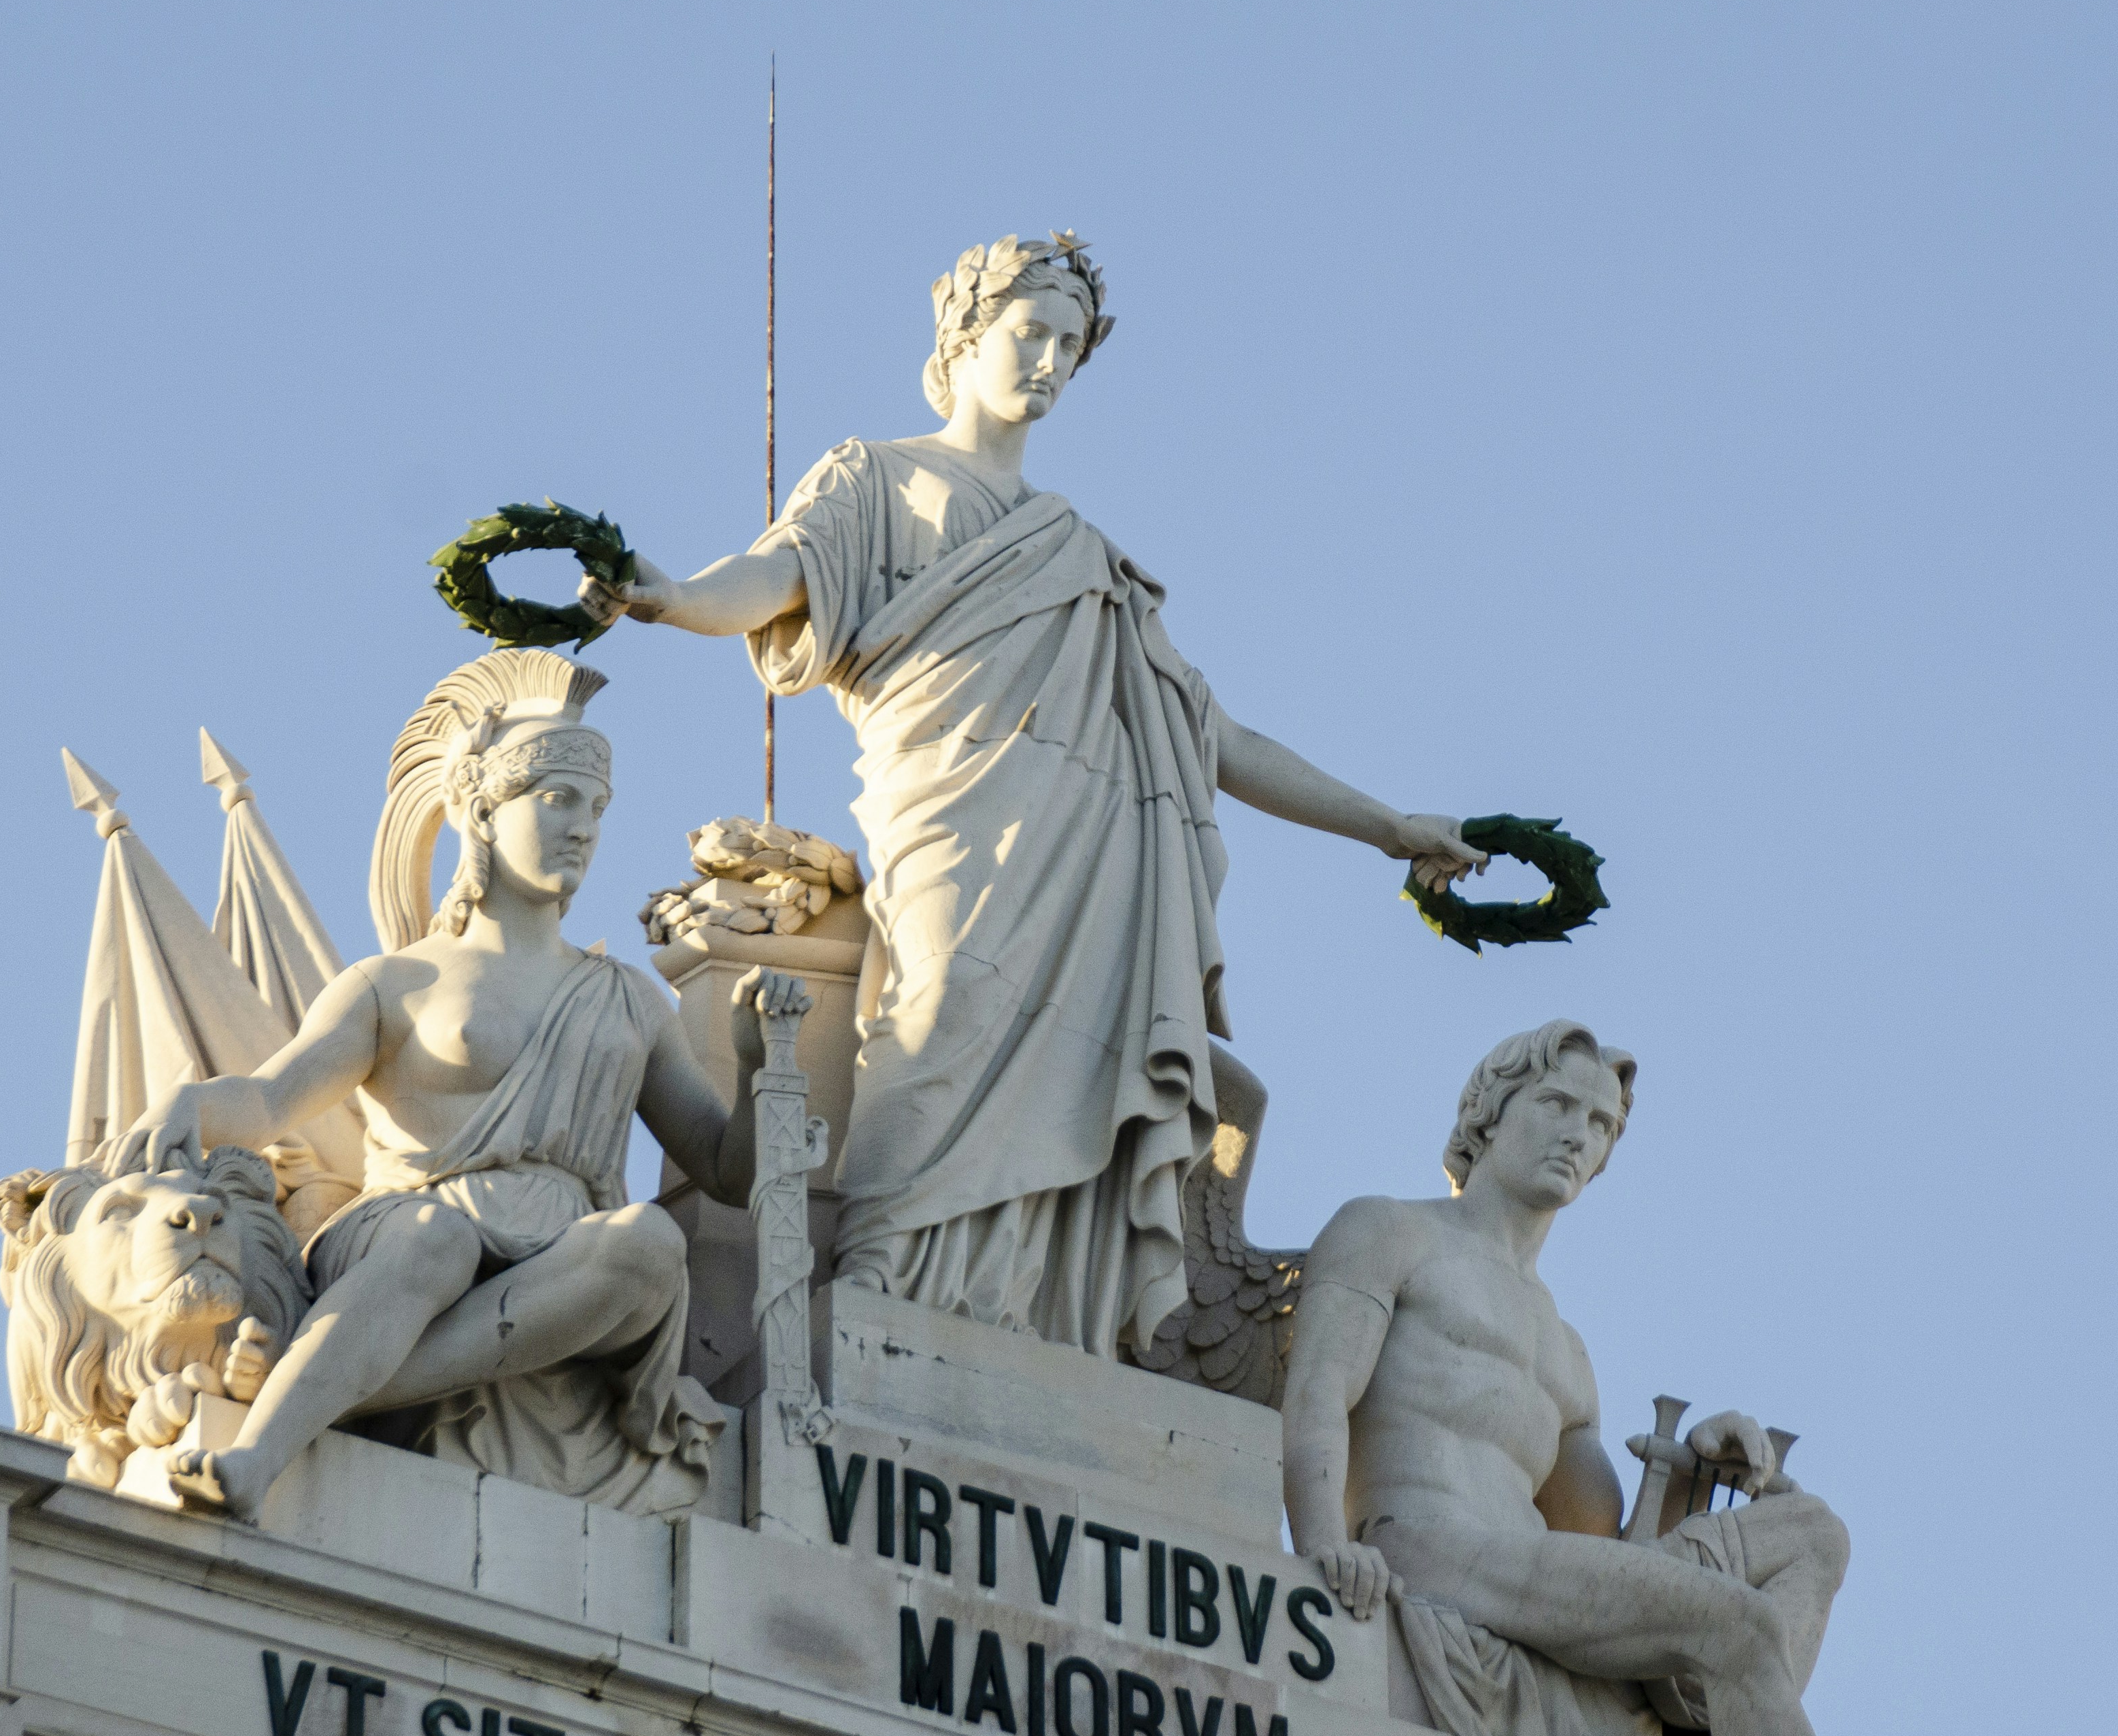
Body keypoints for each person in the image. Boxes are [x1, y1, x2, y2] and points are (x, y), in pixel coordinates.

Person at [578, 233, 1485, 1359]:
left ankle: (1040, 1334)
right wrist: (666, 596)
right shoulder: (879, 478)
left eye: (1070, 344)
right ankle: (880, 1287)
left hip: (1086, 864)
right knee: (932, 1026)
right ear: (961, 336)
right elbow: (774, 577)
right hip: (952, 830)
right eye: (1029, 332)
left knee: (1071, 1069)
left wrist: (1387, 825)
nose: (1049, 361)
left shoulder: (1087, 560)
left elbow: (1219, 735)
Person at [1280, 1021, 2052, 1736]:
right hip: (1428, 1550)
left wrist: (1696, 1475)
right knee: (1735, 1628)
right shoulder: (1388, 1231)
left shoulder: (1567, 1352)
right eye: (1557, 1105)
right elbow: (1316, 1398)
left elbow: (1608, 1557)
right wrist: (1324, 1549)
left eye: (1600, 1125)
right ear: (1489, 1109)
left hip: (1534, 1577)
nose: (1578, 1136)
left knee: (1814, 1534)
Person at [114, 649, 800, 1524]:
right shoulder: (392, 982)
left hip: (563, 1264)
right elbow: (271, 1100)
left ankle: (327, 1385)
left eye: (596, 808)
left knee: (647, 1246)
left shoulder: (624, 997)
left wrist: (756, 1059)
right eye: (556, 799)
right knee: (434, 1236)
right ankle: (256, 1459)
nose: (583, 829)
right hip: (410, 1235)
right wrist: (190, 1105)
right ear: (481, 808)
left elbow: (725, 1170)